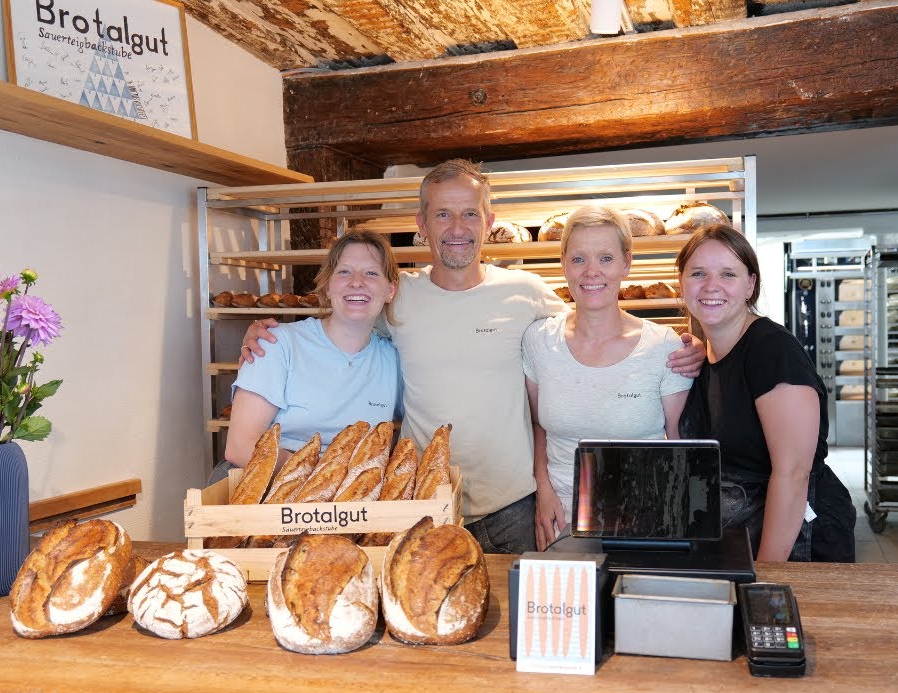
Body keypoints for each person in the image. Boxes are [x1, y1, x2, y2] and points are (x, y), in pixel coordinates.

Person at [242, 159, 705, 554]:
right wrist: (263, 333)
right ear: (422, 224)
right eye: (443, 214)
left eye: (469, 213)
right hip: (426, 504)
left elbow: (594, 329)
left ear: (488, 220)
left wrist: (687, 345)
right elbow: (342, 322)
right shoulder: (397, 298)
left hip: (516, 506)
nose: (458, 228)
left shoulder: (526, 293)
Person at [675, 223, 856, 563]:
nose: (711, 286)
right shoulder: (707, 353)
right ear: (681, 283)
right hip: (738, 530)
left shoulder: (772, 351)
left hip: (796, 540)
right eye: (698, 273)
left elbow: (793, 473)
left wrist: (768, 572)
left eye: (728, 274)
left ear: (750, 285)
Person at [522, 205, 692, 550]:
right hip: (561, 516)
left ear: (626, 264)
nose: (591, 272)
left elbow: (678, 445)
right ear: (564, 264)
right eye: (579, 259)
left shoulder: (663, 347)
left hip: (644, 516)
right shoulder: (539, 340)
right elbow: (538, 427)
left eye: (606, 258)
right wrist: (543, 489)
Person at [222, 229, 401, 474]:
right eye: (344, 271)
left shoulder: (393, 359)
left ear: (390, 290)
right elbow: (240, 446)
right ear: (327, 286)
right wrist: (321, 478)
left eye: (371, 273)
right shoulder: (277, 343)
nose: (356, 281)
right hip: (272, 484)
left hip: (351, 494)